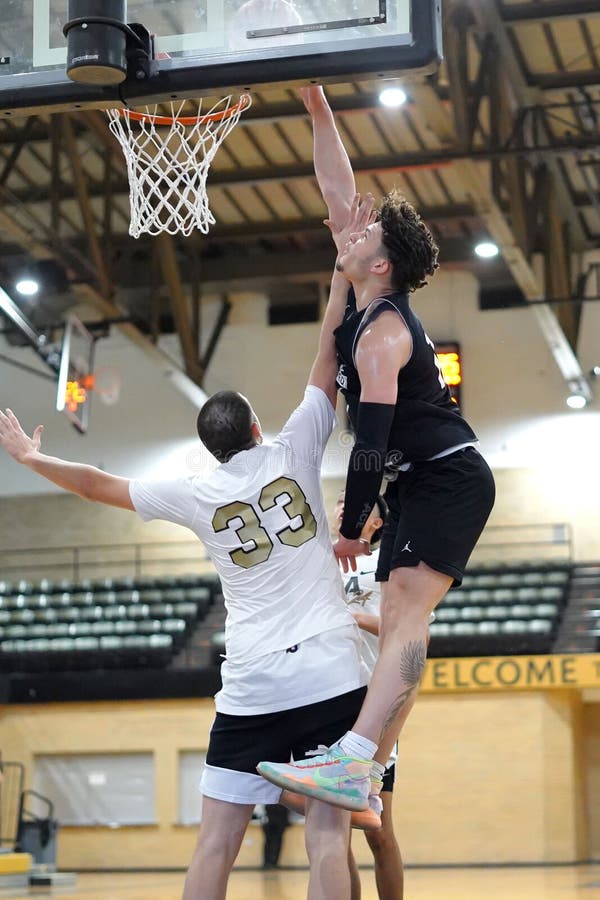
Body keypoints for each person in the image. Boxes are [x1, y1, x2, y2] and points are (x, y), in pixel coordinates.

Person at [0, 194, 377, 900]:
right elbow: (329, 347)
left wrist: (30, 459)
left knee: (216, 844)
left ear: (210, 447)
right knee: (329, 834)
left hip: (253, 681)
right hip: (329, 666)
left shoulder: (195, 491)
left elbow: (94, 483)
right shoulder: (295, 444)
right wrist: (339, 273)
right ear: (258, 427)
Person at [258, 85, 496, 814]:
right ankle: (370, 764)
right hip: (420, 483)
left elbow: (375, 443)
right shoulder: (361, 297)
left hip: (447, 476)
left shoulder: (384, 334)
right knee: (397, 621)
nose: (347, 233)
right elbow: (338, 191)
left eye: (361, 238)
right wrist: (314, 100)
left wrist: (350, 527)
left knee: (404, 619)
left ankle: (357, 760)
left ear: (382, 265)